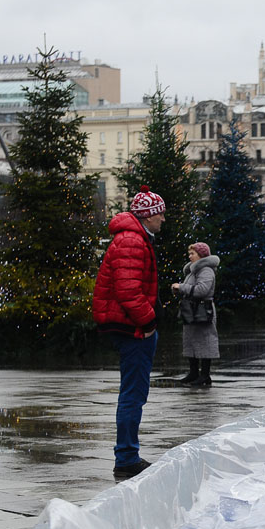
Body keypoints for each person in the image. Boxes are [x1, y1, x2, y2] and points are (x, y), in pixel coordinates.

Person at [92, 185, 164, 478]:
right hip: (132, 329)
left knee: (133, 392)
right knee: (133, 394)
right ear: (147, 216)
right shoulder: (133, 241)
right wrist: (147, 323)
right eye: (159, 214)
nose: (163, 219)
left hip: (130, 325)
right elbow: (127, 289)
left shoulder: (133, 237)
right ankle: (126, 458)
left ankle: (128, 454)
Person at [171, 242, 220, 388]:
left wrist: (182, 287)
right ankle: (194, 372)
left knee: (205, 340)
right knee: (191, 339)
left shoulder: (206, 270)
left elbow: (202, 290)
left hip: (203, 309)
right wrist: (179, 289)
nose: (189, 256)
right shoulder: (193, 271)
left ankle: (204, 374)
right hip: (192, 309)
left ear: (202, 255)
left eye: (193, 253)